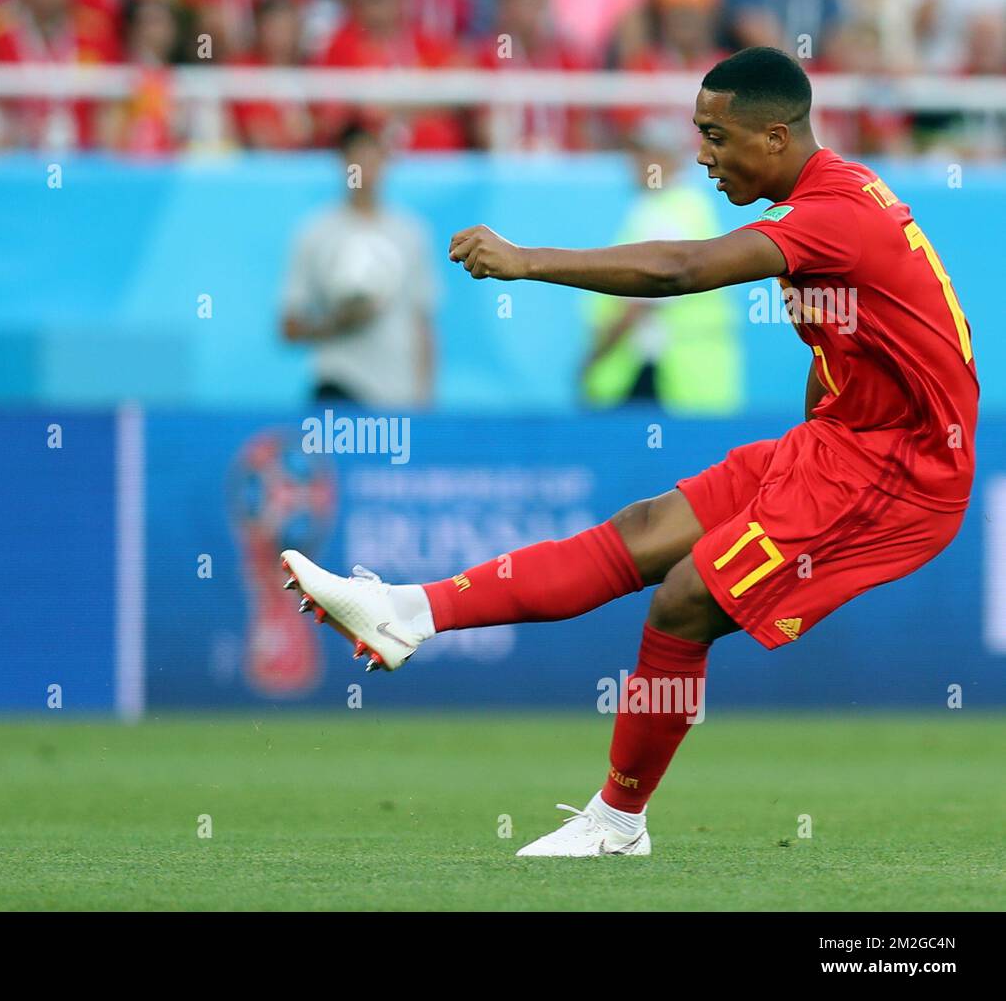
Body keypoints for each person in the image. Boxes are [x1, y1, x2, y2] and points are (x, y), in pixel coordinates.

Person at [279, 47, 977, 857]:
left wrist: (528, 261)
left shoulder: (833, 215)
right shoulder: (836, 191)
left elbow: (683, 268)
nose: (703, 155)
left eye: (717, 137)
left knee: (683, 600)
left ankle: (617, 822)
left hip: (899, 472)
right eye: (697, 134)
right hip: (840, 444)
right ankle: (410, 613)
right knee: (647, 528)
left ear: (776, 137)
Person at [580, 115, 740, 413]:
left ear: (668, 159)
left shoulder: (667, 211)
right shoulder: (682, 206)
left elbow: (644, 297)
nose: (636, 163)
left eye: (646, 154)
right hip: (685, 375)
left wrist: (596, 356)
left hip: (665, 371)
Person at [280, 124, 436, 407]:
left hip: (397, 393)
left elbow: (423, 320)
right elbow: (288, 327)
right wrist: (341, 322)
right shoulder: (316, 232)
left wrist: (425, 397)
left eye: (373, 158)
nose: (366, 168)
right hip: (339, 384)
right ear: (342, 163)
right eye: (357, 159)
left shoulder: (410, 233)